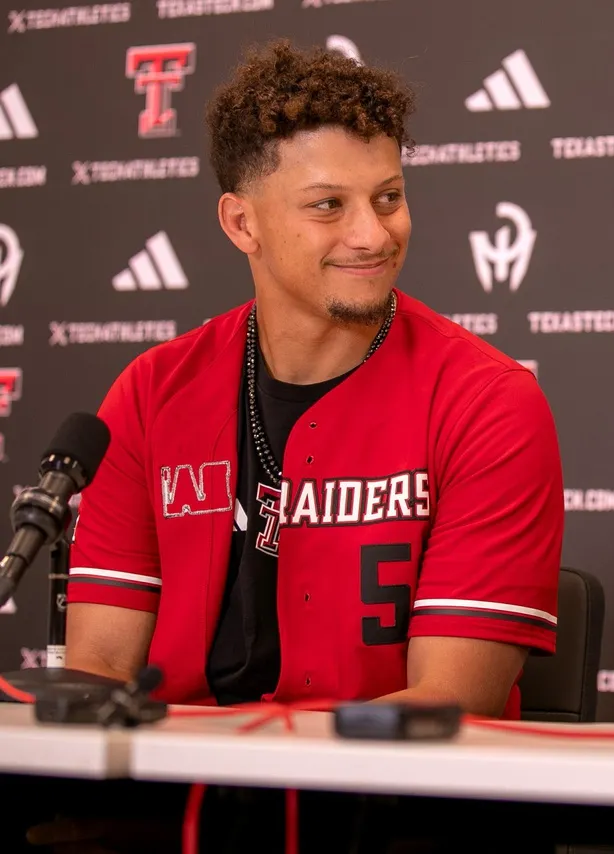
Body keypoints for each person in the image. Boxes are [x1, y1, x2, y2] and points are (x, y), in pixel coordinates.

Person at [63, 38, 564, 721]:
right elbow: (97, 670)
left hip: (389, 813)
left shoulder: (489, 403)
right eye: (328, 205)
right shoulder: (150, 393)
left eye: (388, 197)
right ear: (243, 223)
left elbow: (453, 704)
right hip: (172, 805)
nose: (373, 235)